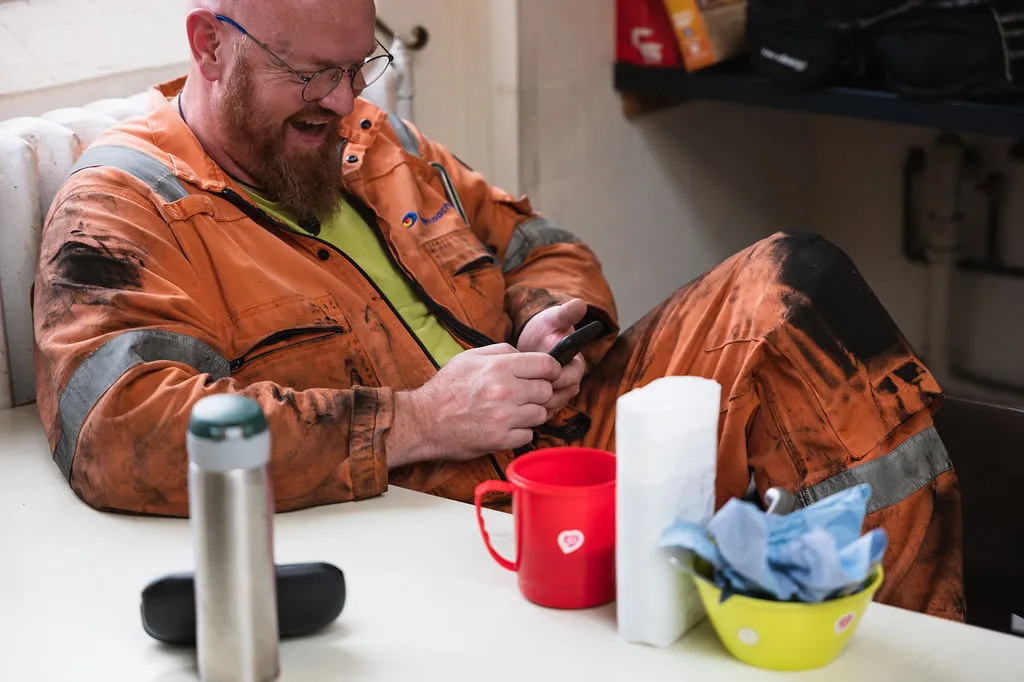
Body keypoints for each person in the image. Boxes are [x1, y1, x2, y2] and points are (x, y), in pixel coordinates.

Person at [31, 0, 963, 622]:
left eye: (360, 65)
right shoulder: (126, 205)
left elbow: (537, 243)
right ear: (208, 45)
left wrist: (552, 319)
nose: (347, 100)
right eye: (310, 75)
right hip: (454, 506)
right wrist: (422, 418)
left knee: (792, 288)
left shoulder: (372, 138)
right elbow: (121, 431)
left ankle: (922, 646)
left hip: (566, 431)